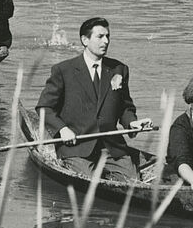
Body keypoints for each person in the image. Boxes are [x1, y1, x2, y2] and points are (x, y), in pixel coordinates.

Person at [35, 17, 152, 181]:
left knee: (133, 181)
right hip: (76, 146)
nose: (106, 41)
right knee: (88, 181)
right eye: (100, 36)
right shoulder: (63, 70)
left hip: (111, 146)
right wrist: (62, 129)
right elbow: (44, 108)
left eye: (108, 36)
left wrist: (132, 123)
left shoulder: (119, 69)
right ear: (85, 40)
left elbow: (125, 107)